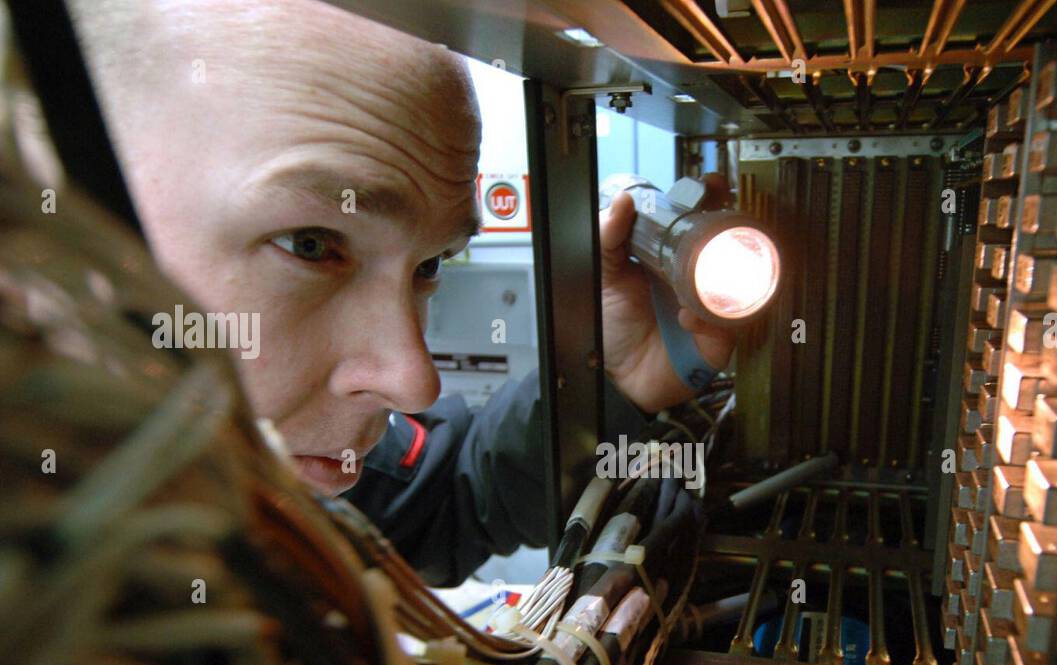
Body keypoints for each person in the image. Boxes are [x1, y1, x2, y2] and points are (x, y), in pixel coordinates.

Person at [67, 0, 735, 584]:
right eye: (310, 244)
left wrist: (612, 378)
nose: (415, 382)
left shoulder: (298, 450)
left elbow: (449, 499)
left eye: (431, 263)